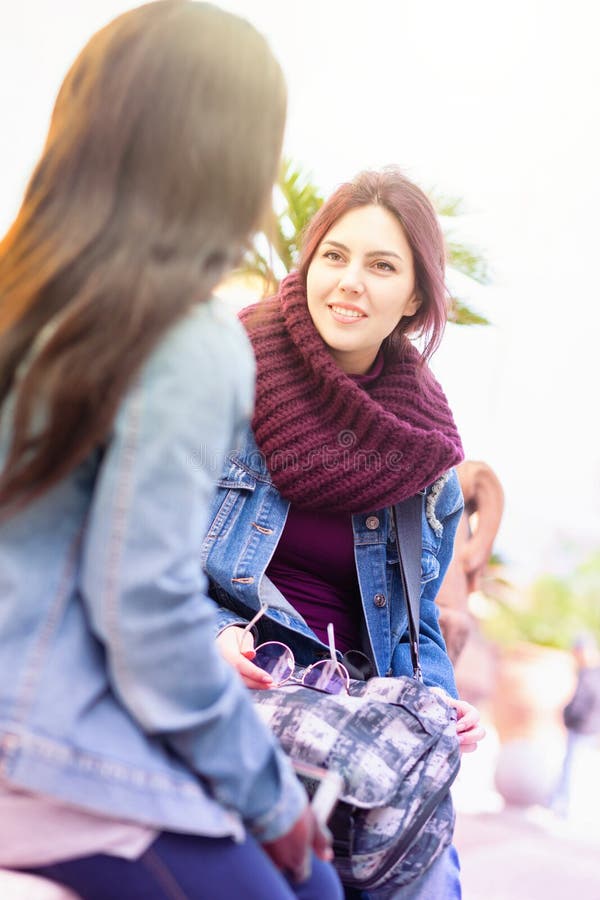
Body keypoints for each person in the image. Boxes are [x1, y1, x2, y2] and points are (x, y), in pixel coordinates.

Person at [0, 3, 343, 899]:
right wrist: (274, 802)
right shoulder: (187, 337)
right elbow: (143, 612)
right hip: (44, 754)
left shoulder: (20, 297)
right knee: (315, 884)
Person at [204, 168, 486, 899]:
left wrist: (441, 703)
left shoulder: (426, 457)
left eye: (381, 265)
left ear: (415, 297)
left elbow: (417, 623)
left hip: (356, 708)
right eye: (335, 256)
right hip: (237, 686)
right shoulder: (222, 382)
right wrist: (204, 635)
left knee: (430, 880)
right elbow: (137, 550)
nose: (350, 283)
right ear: (309, 264)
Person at [550, 633, 600, 820]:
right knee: (574, 767)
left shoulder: (591, 673)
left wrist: (568, 715)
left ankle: (565, 808)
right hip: (588, 727)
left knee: (573, 768)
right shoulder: (590, 672)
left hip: (583, 727)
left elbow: (583, 702)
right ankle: (562, 804)